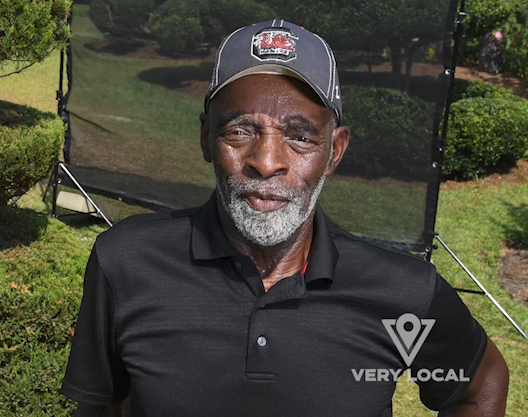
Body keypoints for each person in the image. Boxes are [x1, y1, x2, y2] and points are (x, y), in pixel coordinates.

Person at [61, 20, 509, 417]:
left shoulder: (401, 290)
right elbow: (101, 406)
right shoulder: (127, 263)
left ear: (334, 151)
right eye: (240, 131)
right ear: (205, 138)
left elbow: (480, 383)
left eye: (299, 137)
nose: (266, 161)